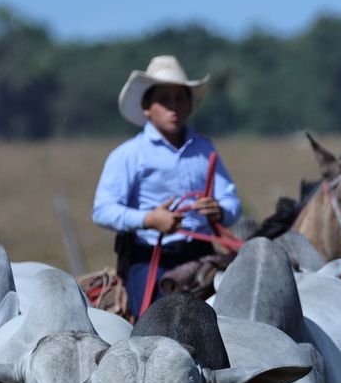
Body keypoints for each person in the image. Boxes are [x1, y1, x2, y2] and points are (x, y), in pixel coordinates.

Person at [92, 55, 243, 312]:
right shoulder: (129, 154)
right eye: (164, 99)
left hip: (201, 254)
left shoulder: (205, 149)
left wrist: (220, 210)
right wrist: (149, 220)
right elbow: (102, 210)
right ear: (147, 107)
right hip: (150, 257)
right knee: (154, 327)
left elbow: (231, 202)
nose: (173, 107)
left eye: (180, 98)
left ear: (189, 105)